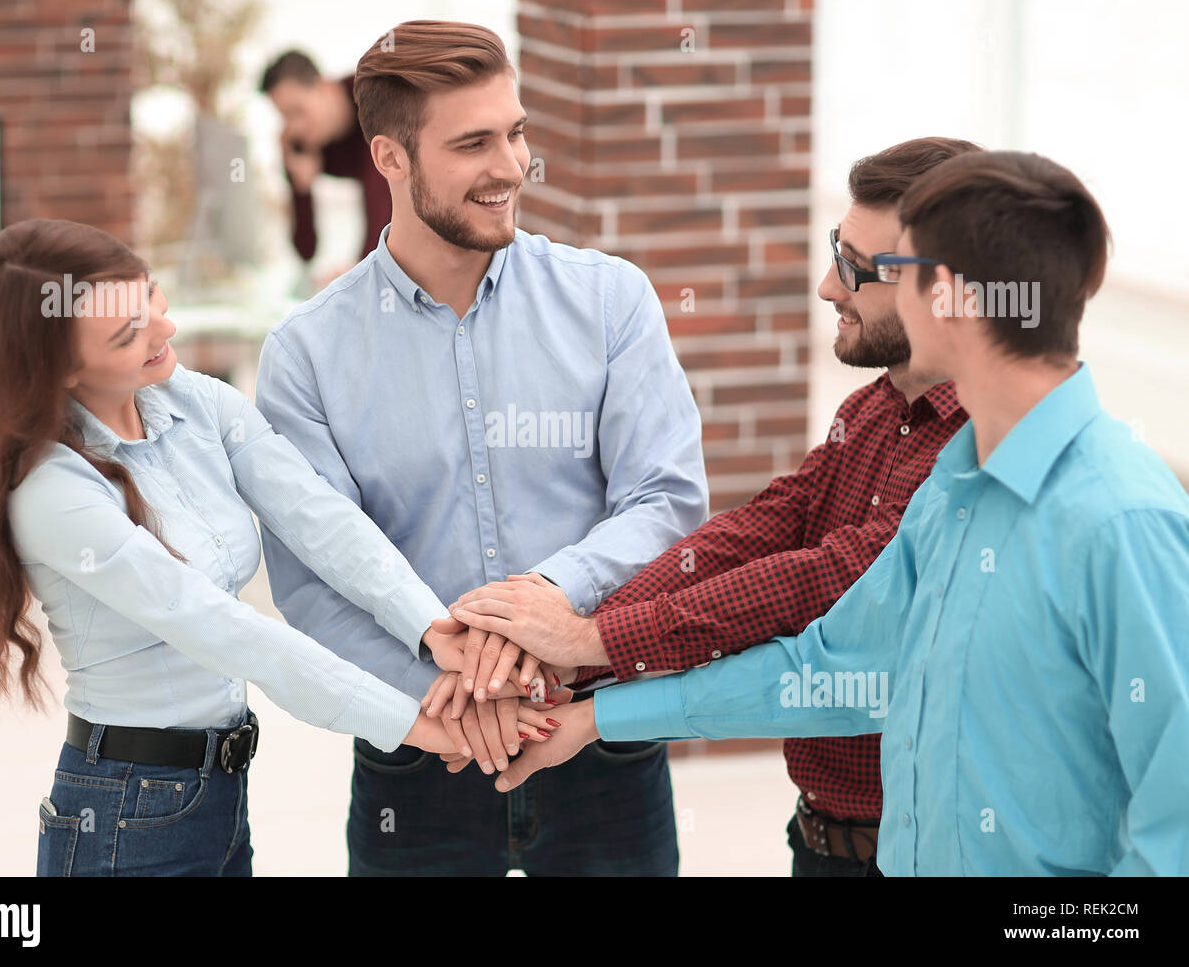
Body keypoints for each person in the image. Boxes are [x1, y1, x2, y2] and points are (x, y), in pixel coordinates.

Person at [489, 150, 1189, 875]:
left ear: (943, 296)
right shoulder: (953, 492)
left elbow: (1177, 829)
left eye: (894, 267)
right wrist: (591, 718)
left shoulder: (1124, 523)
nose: (830, 286)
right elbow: (827, 671)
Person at [0, 218, 556, 876]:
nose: (164, 328)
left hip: (216, 793)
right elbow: (223, 628)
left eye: (149, 296)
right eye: (129, 334)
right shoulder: (54, 492)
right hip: (124, 810)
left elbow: (318, 516)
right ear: (60, 371)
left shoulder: (197, 402)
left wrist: (434, 630)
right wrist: (422, 724)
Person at [447, 137, 981, 876]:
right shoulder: (872, 410)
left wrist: (593, 642)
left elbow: (819, 583)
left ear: (941, 288)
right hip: (823, 841)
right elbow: (762, 530)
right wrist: (573, 641)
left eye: (857, 269)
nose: (828, 286)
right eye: (837, 250)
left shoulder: (975, 454)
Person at [254, 20, 708, 875]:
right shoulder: (307, 353)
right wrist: (446, 686)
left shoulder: (611, 301)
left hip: (599, 744)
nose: (511, 166)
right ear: (389, 157)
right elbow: (312, 578)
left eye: (516, 131)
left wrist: (539, 602)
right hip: (417, 755)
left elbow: (667, 501)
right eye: (473, 143)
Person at [260, 50, 391, 278]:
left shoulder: (375, 98)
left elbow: (381, 194)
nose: (295, 126)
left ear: (324, 87)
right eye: (284, 116)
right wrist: (302, 189)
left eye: (297, 111)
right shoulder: (301, 145)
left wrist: (362, 272)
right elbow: (305, 251)